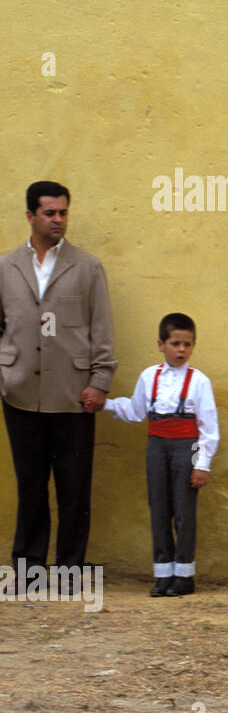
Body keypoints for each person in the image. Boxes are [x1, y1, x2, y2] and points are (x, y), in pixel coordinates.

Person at [0, 181, 116, 581]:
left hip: (73, 396)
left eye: (63, 212)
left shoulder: (87, 268)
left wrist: (100, 381)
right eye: (50, 213)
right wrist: (4, 374)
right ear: (30, 216)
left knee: (74, 489)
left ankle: (70, 570)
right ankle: (30, 569)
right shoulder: (6, 267)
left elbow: (101, 329)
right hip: (21, 394)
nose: (58, 220)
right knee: (30, 486)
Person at [104, 313, 219, 596]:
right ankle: (163, 574)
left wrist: (202, 464)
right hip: (156, 446)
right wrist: (103, 405)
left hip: (187, 446)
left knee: (183, 512)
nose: (181, 350)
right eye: (175, 343)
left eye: (187, 344)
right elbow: (135, 411)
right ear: (161, 344)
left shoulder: (199, 381)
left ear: (193, 346)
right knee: (159, 510)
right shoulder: (149, 376)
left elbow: (209, 429)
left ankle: (184, 576)